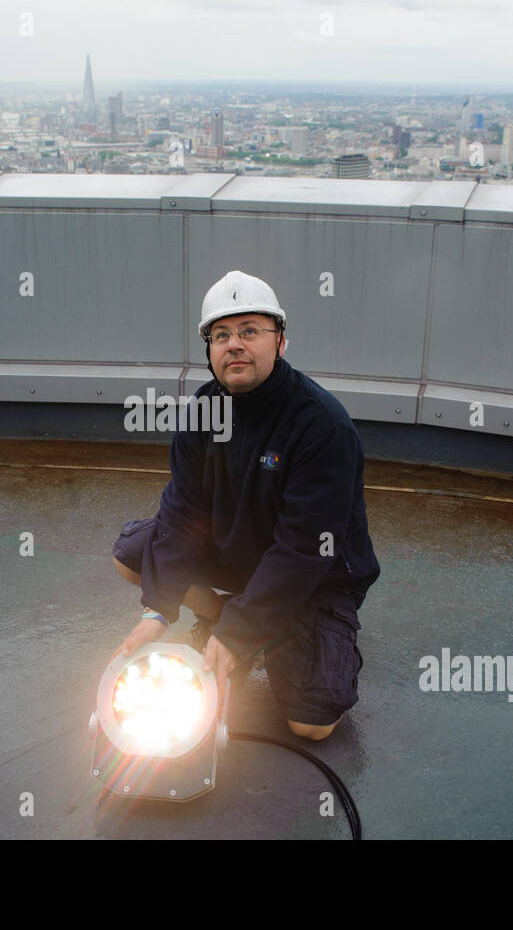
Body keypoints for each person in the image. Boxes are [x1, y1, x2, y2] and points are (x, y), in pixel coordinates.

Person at [111, 269, 380, 741]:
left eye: (250, 331)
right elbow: (180, 512)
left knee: (311, 725)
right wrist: (157, 612)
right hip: (237, 553)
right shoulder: (202, 412)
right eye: (221, 335)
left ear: (280, 342)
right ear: (210, 351)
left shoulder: (321, 426)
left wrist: (241, 634)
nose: (234, 344)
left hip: (316, 576)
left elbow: (303, 551)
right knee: (134, 555)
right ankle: (223, 612)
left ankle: (276, 628)